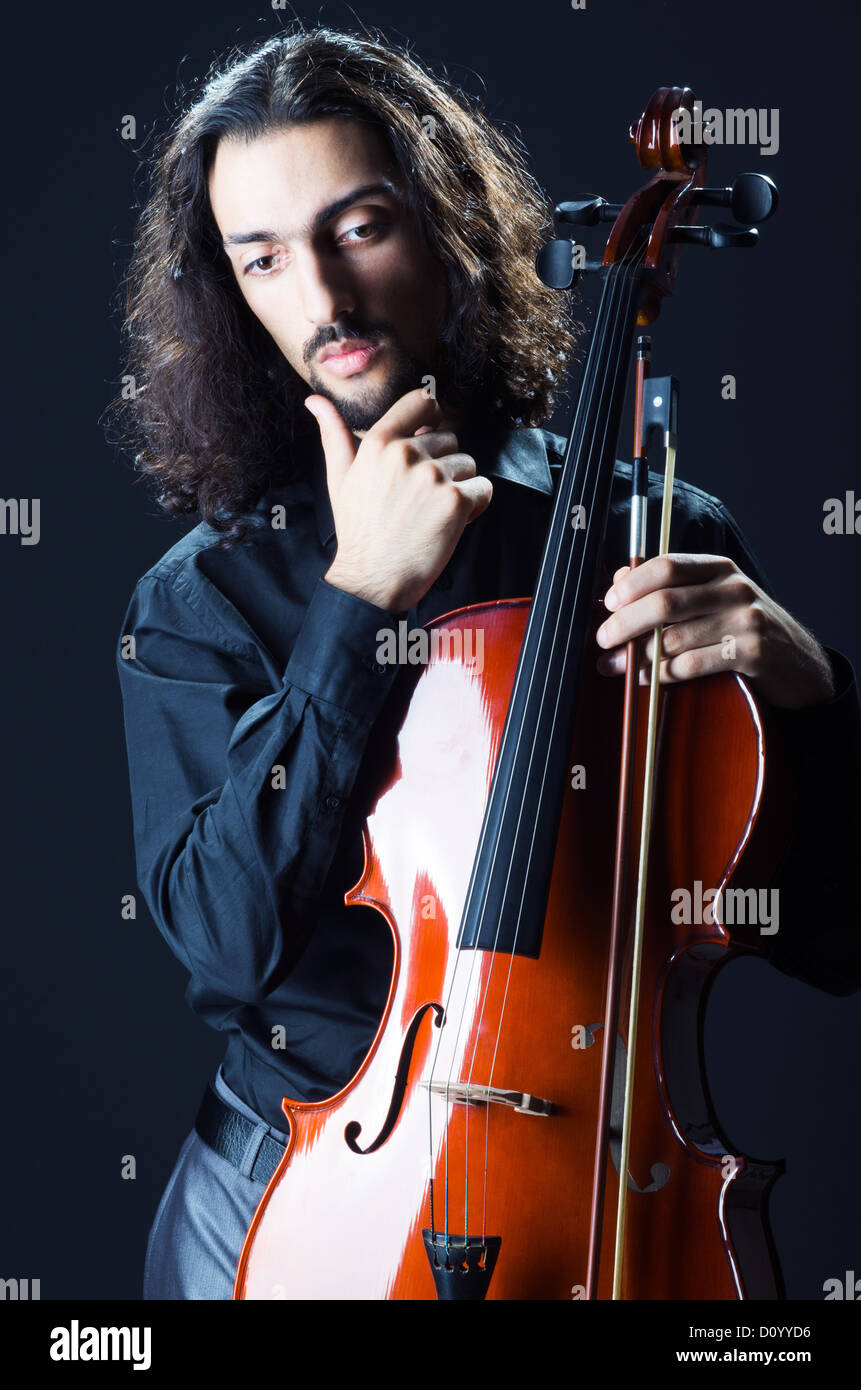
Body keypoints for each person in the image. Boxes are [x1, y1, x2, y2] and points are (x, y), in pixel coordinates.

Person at [113, 26, 861, 1299]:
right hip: (307, 1195)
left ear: (449, 222)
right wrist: (360, 599)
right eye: (265, 258)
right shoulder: (200, 598)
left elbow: (832, 936)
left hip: (605, 1192)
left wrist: (815, 694)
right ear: (230, 286)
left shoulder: (658, 533)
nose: (324, 300)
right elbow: (226, 945)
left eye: (359, 227)